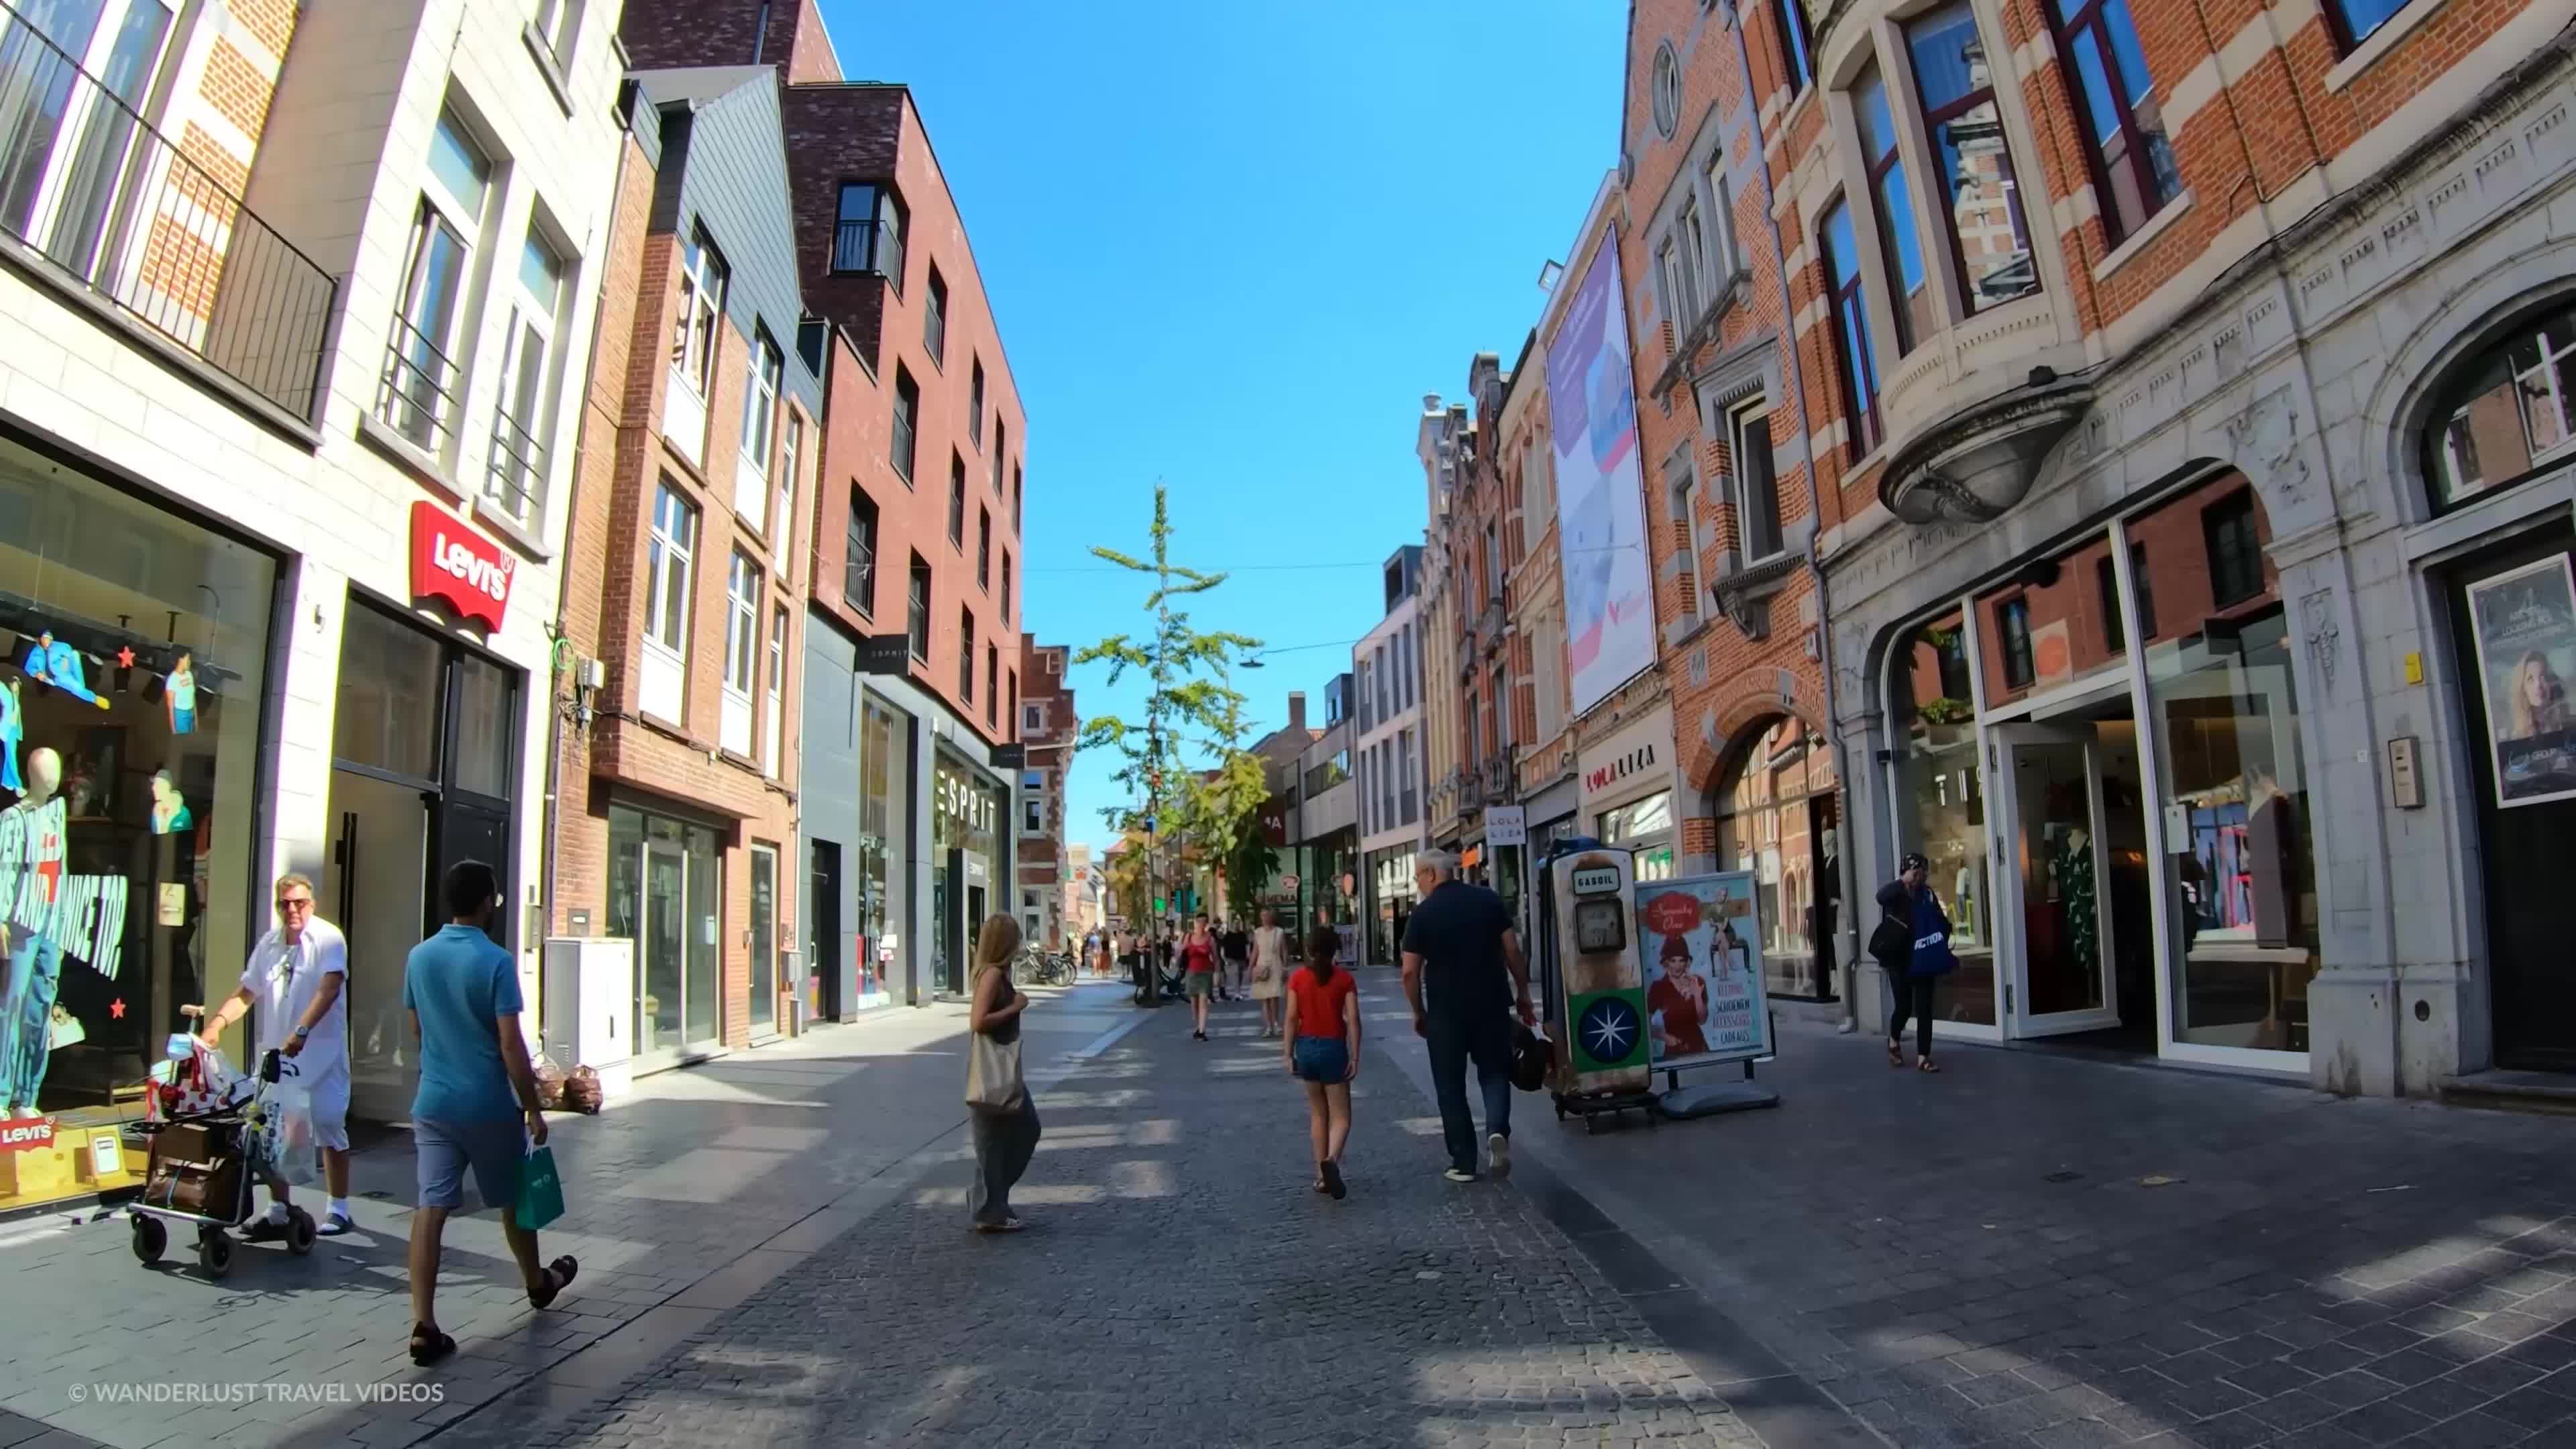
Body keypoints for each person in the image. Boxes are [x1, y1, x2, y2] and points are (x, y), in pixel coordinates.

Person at [402, 861, 574, 1366]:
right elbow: (511, 1046)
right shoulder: (496, 962)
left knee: (431, 1209)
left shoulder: (418, 957)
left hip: (433, 1103)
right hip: (487, 1106)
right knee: (513, 1201)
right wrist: (534, 1107)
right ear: (486, 902)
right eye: (495, 898)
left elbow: (416, 1030)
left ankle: (424, 1324)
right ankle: (537, 1283)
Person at [197, 873, 355, 1236]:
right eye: (285, 904)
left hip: (321, 1052)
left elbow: (330, 986)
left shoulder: (328, 937)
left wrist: (302, 1030)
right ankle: (279, 1208)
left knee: (330, 1125)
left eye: (299, 903)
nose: (292, 910)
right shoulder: (270, 944)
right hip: (278, 1059)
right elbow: (246, 991)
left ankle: (339, 1208)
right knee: (271, 1131)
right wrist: (217, 1025)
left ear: (311, 904)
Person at [1399, 850, 1534, 1184]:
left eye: (1418, 876)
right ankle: (1497, 1130)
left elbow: (1409, 973)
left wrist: (1418, 1012)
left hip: (1446, 1012)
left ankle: (1463, 1162)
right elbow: (1512, 950)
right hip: (1491, 1004)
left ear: (1431, 874)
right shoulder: (1488, 900)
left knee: (1450, 1084)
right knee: (1494, 1072)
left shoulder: (1423, 914)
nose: (1418, 883)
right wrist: (1523, 992)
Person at [967, 914, 1040, 1232]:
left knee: (1013, 1135)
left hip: (1003, 1068)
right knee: (997, 1141)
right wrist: (1016, 1007)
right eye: (1016, 938)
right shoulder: (993, 975)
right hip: (993, 1071)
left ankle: (988, 1202)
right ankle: (989, 1208)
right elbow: (978, 1021)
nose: (1020, 943)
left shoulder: (995, 972)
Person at [1282, 923, 1360, 1199]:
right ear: (1334, 950)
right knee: (1342, 1117)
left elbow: (1291, 1017)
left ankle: (1320, 1176)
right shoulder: (1344, 980)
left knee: (1318, 1114)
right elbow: (1353, 1019)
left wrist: (1287, 1053)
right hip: (1333, 1048)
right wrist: (1356, 1054)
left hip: (1306, 1048)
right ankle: (1331, 1160)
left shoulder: (1298, 979)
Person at [1877, 852, 1955, 1073]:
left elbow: (1939, 919)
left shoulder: (1928, 894)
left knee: (1924, 1008)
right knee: (1903, 1006)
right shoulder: (1896, 892)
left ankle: (1924, 1056)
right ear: (1907, 872)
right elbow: (1880, 897)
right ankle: (1893, 1041)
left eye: (1923, 873)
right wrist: (1904, 881)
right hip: (1899, 959)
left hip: (1923, 956)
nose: (1921, 877)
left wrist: (1942, 934)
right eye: (1917, 872)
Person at [1646, 932, 1709, 1059]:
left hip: (1699, 1049)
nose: (1677, 966)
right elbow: (1645, 1025)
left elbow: (1702, 1020)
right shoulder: (1658, 987)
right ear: (1666, 962)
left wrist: (1697, 996)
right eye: (1673, 961)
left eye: (1681, 960)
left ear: (1687, 962)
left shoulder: (1697, 982)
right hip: (1674, 1051)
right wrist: (1664, 1036)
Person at [1248, 907, 1289, 1038]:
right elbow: (1255, 951)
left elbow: (1284, 950)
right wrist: (1250, 968)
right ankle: (1268, 1027)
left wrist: (1285, 967)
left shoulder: (1279, 932)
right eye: (1262, 915)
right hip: (1262, 966)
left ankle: (1276, 1024)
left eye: (1266, 915)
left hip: (1276, 965)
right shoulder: (1258, 932)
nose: (1264, 918)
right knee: (1265, 999)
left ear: (1272, 917)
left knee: (1274, 997)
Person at [1181, 914, 1219, 1040]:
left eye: (1204, 922)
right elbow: (1181, 951)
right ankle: (1197, 1027)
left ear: (1206, 924)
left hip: (1206, 972)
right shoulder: (1189, 937)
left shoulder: (1210, 939)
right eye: (1199, 922)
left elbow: (1216, 958)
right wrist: (1181, 948)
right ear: (1195, 923)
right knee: (1194, 1004)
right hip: (1192, 973)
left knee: (1203, 1001)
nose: (1201, 925)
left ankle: (1202, 1030)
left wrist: (1217, 974)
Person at [1220, 918, 1251, 1001]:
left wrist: (1248, 954)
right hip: (1231, 958)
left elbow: (1247, 945)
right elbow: (1223, 947)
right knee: (1235, 974)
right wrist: (1224, 957)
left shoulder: (1242, 935)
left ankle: (1238, 991)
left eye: (1237, 923)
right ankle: (1237, 993)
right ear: (1232, 925)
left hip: (1241, 958)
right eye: (1235, 923)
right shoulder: (1228, 935)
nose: (1236, 925)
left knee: (1240, 975)